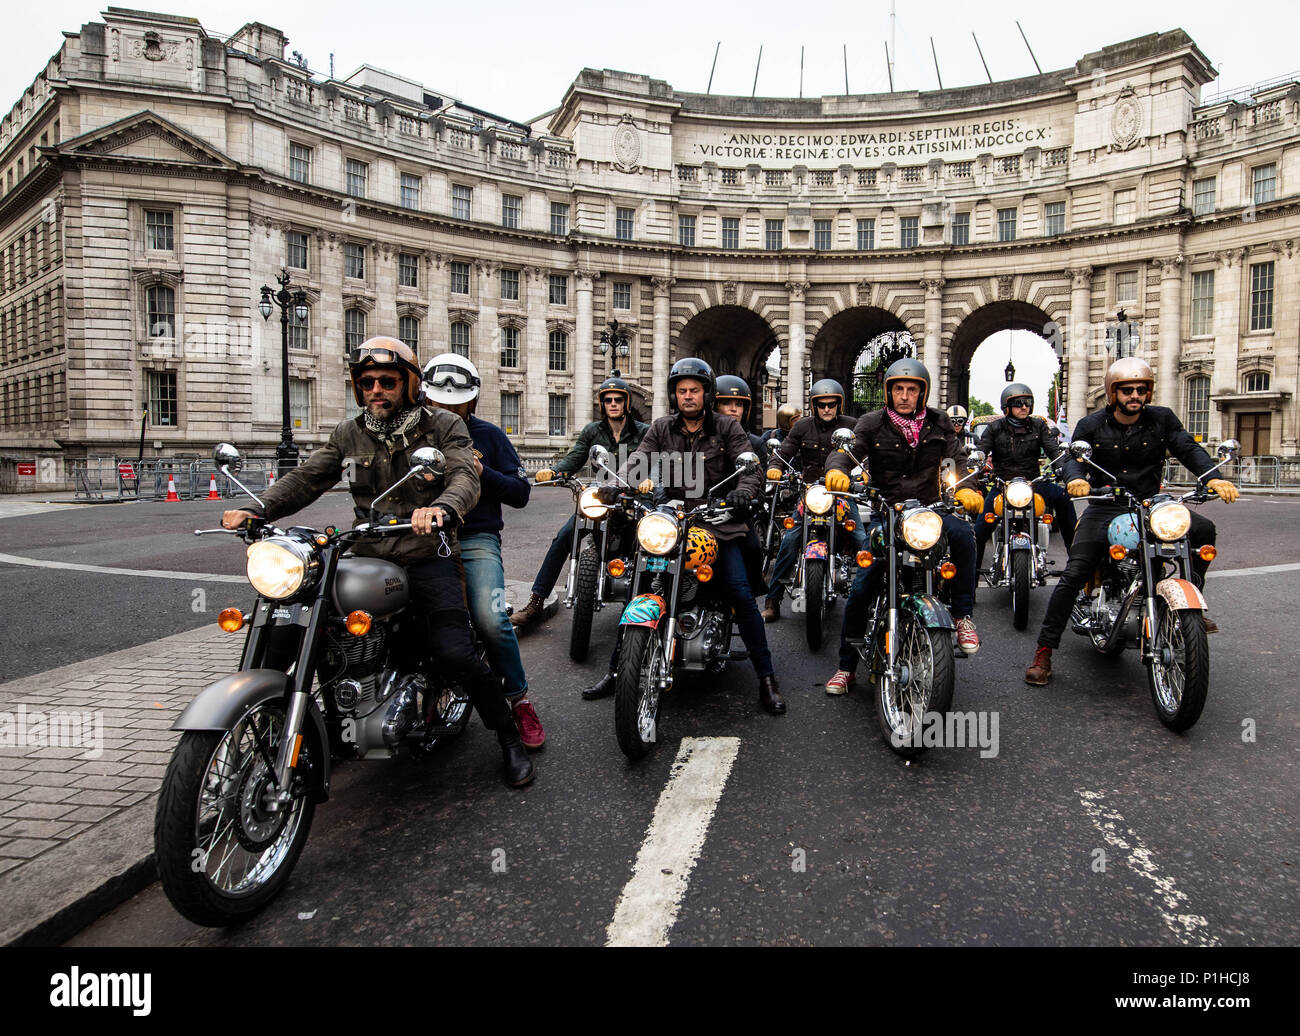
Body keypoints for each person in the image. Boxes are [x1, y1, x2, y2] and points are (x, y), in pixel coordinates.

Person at [221, 338, 534, 786]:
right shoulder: (350, 433)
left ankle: (508, 738)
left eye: (387, 381)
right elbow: (309, 477)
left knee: (456, 651)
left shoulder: (444, 426)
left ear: (408, 384)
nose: (376, 390)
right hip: (366, 553)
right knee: (285, 629)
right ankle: (273, 734)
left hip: (428, 554)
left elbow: (465, 475)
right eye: (366, 382)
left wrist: (442, 508)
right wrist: (260, 508)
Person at [581, 357, 786, 714]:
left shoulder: (727, 428)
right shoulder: (661, 428)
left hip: (719, 522)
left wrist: (744, 492)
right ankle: (617, 670)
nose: (688, 396)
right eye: (681, 391)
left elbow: (749, 466)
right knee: (640, 583)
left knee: (738, 589)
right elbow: (639, 461)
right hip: (674, 521)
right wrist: (612, 485)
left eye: (694, 390)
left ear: (706, 393)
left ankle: (766, 677)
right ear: (673, 396)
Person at [1025, 357, 1239, 684]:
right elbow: (1074, 459)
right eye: (1127, 390)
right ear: (1114, 393)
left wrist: (1213, 477)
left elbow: (1187, 448)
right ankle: (1044, 652)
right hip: (1106, 504)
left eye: (1141, 389)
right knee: (1074, 571)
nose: (1135, 395)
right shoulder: (1092, 425)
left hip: (1151, 503)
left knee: (1203, 530)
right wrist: (1075, 479)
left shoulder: (1162, 419)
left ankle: (1190, 607)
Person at [822, 358, 981, 694]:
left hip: (931, 511)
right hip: (887, 512)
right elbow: (848, 450)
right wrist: (837, 469)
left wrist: (966, 488)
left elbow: (958, 458)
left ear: (922, 393)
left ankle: (963, 616)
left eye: (911, 390)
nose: (905, 396)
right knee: (863, 583)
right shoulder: (871, 422)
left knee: (965, 534)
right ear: (888, 391)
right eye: (898, 389)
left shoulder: (939, 423)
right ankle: (845, 667)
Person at [422, 352, 545, 750]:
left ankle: (519, 700)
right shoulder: (412, 437)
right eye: (439, 404)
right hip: (419, 542)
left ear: (472, 402)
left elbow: (521, 493)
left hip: (475, 538)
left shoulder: (490, 436)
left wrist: (482, 472)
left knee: (492, 618)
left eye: (456, 405)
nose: (447, 413)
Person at [512, 374, 649, 632]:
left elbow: (656, 461)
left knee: (653, 544)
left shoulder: (643, 432)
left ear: (627, 402)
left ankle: (649, 604)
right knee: (564, 535)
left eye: (618, 399)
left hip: (633, 500)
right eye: (608, 400)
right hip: (602, 500)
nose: (613, 404)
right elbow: (574, 458)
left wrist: (649, 480)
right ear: (602, 404)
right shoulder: (592, 432)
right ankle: (535, 603)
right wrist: (554, 471)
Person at [761, 378, 862, 622]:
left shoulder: (852, 426)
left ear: (839, 404)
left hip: (842, 495)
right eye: (821, 404)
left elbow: (865, 453)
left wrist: (863, 474)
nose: (826, 408)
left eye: (831, 404)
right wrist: (775, 467)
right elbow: (784, 452)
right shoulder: (802, 427)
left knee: (862, 539)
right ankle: (773, 601)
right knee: (789, 541)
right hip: (810, 493)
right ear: (814, 405)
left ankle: (872, 600)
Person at [974, 383, 1078, 575]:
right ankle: (969, 586)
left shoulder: (1039, 426)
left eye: (1028, 403)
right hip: (1003, 485)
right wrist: (978, 462)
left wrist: (1064, 469)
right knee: (978, 531)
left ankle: (1076, 563)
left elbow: (1053, 451)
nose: (1024, 407)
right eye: (1018, 403)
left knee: (1064, 497)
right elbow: (982, 449)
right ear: (1007, 407)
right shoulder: (994, 428)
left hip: (1033, 484)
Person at [714, 374, 768, 463]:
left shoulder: (756, 444)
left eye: (738, 404)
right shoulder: (702, 440)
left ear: (745, 410)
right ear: (714, 407)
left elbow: (757, 475)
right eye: (726, 403)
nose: (733, 409)